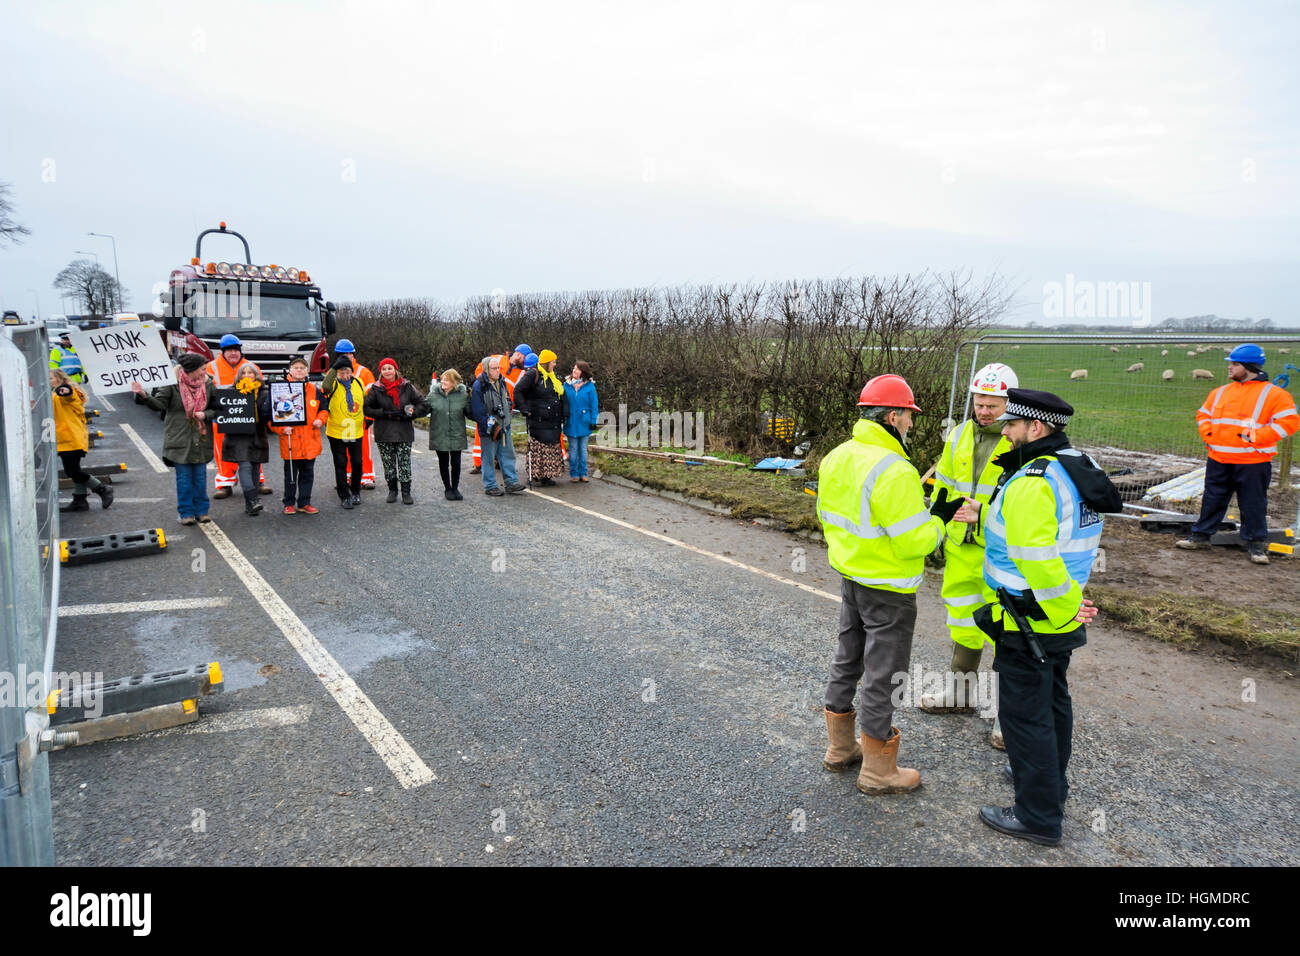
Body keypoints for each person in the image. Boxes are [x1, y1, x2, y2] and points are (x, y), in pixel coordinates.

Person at [957, 388, 1120, 846]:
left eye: (1011, 425)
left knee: (1024, 715)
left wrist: (1065, 608)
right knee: (1052, 705)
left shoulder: (1033, 479)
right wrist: (988, 511)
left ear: (1037, 428)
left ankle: (1037, 816)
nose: (1004, 431)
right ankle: (1046, 779)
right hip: (1058, 614)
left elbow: (1036, 556)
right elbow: (1051, 529)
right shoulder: (1072, 465)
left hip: (1029, 616)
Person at [817, 374, 960, 794]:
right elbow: (916, 540)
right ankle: (879, 771)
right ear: (893, 416)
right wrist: (941, 521)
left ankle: (840, 750)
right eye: (910, 417)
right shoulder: (895, 470)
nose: (912, 425)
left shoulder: (838, 456)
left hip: (852, 576)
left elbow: (830, 518)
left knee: (848, 657)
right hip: (890, 588)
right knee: (884, 674)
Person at [921, 363, 1016, 751]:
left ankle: (1009, 717)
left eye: (993, 405)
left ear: (1009, 403)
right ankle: (961, 693)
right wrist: (937, 530)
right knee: (962, 618)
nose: (985, 411)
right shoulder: (958, 435)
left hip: (1003, 551)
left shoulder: (1021, 439)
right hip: (962, 545)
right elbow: (943, 486)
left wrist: (989, 516)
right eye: (980, 402)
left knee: (1011, 629)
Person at [1176, 344, 1299, 565]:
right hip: (1219, 458)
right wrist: (1209, 434)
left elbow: (1289, 423)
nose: (1230, 368)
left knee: (1253, 503)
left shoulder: (1275, 395)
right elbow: (1203, 414)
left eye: (1235, 364)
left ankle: (1256, 544)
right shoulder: (1220, 392)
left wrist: (1256, 437)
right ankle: (1200, 536)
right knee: (1212, 499)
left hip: (1253, 460)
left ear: (1249, 367)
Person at [131, 354, 219, 524]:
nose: (204, 372)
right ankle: (186, 513)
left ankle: (202, 511)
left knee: (200, 479)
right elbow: (159, 405)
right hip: (179, 437)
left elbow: (217, 408)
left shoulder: (208, 383)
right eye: (202, 368)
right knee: (184, 479)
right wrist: (143, 394)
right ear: (191, 369)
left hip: (201, 438)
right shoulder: (171, 383)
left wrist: (205, 414)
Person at [207, 334, 271, 498]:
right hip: (223, 418)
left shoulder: (251, 366)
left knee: (254, 449)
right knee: (223, 450)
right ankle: (225, 484)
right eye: (229, 351)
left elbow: (261, 390)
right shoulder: (212, 367)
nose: (233, 353)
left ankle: (259, 482)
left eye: (236, 350)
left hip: (250, 418)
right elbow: (207, 391)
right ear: (223, 352)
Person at [364, 358, 429, 505]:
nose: (387, 371)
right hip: (384, 432)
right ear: (380, 372)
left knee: (404, 464)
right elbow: (367, 408)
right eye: (384, 369)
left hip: (403, 431)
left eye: (390, 368)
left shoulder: (406, 386)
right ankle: (392, 490)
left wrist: (412, 412)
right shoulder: (376, 388)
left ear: (395, 370)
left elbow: (423, 404)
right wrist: (384, 413)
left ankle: (406, 492)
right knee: (389, 464)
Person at [269, 356, 328, 515]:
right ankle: (288, 503)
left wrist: (320, 420)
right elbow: (271, 418)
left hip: (310, 441)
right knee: (290, 476)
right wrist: (282, 429)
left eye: (302, 367)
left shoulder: (315, 390)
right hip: (290, 441)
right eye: (296, 367)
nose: (299, 370)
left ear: (307, 370)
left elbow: (324, 409)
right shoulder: (279, 389)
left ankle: (304, 502)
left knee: (307, 474)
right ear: (290, 370)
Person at [51, 369, 113, 511]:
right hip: (68, 437)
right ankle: (80, 500)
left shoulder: (65, 392)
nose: (49, 381)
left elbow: (68, 396)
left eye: (51, 378)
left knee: (72, 471)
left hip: (70, 437)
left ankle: (102, 489)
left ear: (60, 379)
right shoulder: (55, 392)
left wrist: (65, 390)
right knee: (74, 469)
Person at [323, 338, 378, 489]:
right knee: (343, 452)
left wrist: (369, 417)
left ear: (353, 354)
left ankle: (366, 477)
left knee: (363, 450)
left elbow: (371, 398)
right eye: (341, 354)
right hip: (340, 419)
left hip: (359, 419)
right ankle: (348, 477)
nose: (345, 357)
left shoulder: (363, 372)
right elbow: (326, 394)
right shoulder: (332, 372)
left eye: (348, 354)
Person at [221, 363, 274, 517]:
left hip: (257, 434)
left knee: (255, 467)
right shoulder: (231, 392)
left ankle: (250, 504)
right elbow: (223, 409)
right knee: (245, 465)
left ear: (256, 375)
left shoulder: (264, 392)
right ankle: (252, 500)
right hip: (238, 435)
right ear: (239, 376)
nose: (247, 375)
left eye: (250, 373)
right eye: (243, 373)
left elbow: (268, 414)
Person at [470, 355, 527, 496]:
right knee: (488, 458)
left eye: (498, 368)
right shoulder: (479, 386)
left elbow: (507, 399)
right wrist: (492, 427)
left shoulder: (501, 382)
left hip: (504, 426)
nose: (498, 371)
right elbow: (478, 411)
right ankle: (490, 486)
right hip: (489, 430)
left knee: (508, 455)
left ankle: (511, 482)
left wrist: (507, 417)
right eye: (494, 368)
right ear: (486, 370)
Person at [515, 348, 568, 486]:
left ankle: (547, 476)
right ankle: (536, 475)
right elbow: (518, 390)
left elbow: (561, 396)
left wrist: (564, 414)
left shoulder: (553, 378)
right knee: (538, 449)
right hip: (538, 420)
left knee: (550, 449)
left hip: (552, 421)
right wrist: (524, 409)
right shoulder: (533, 374)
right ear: (546, 363)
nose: (555, 365)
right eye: (553, 362)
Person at [322, 355, 369, 508]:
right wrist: (334, 368)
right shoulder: (333, 384)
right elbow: (325, 387)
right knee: (341, 463)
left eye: (347, 372)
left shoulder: (358, 383)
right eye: (341, 372)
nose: (345, 375)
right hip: (337, 432)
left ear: (352, 372)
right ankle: (344, 495)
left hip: (355, 431)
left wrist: (369, 417)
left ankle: (355, 491)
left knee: (357, 463)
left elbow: (366, 401)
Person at [426, 367, 472, 500]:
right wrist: (410, 412)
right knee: (443, 462)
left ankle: (455, 488)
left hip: (456, 434)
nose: (443, 382)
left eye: (447, 380)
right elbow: (423, 409)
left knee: (456, 462)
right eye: (442, 380)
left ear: (454, 382)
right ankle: (447, 488)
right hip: (439, 434)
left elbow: (470, 413)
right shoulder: (433, 395)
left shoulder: (463, 396)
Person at [563, 360, 599, 483]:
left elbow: (594, 405)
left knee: (583, 449)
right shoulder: (566, 385)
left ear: (582, 372)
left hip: (585, 422)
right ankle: (574, 473)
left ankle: (583, 473)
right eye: (573, 368)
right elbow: (562, 403)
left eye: (577, 369)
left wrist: (594, 420)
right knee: (573, 450)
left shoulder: (590, 386)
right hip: (571, 422)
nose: (574, 371)